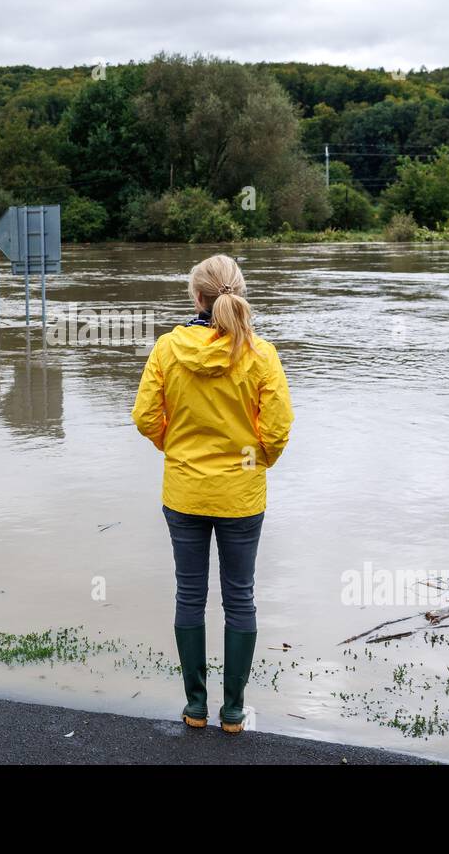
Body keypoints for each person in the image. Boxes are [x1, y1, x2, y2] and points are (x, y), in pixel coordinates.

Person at [131, 253, 294, 733]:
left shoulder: (166, 349)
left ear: (196, 297)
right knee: (240, 598)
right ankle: (235, 712)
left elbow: (144, 416)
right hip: (241, 496)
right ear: (238, 293)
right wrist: (256, 460)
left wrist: (175, 446)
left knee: (189, 594)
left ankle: (195, 707)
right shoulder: (260, 353)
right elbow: (278, 428)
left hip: (184, 491)